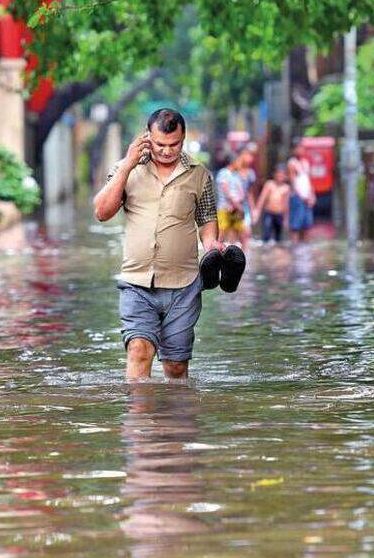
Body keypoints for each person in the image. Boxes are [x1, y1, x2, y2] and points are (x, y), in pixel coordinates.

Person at [93, 108, 224, 380]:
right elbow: (102, 213)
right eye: (159, 144)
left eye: (174, 144)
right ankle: (139, 421)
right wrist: (128, 164)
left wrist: (212, 245)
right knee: (139, 351)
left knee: (176, 368)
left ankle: (173, 422)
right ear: (147, 137)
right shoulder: (124, 169)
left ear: (183, 138)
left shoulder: (200, 175)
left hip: (184, 286)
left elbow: (207, 219)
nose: (166, 151)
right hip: (136, 283)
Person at [215, 152, 251, 252]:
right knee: (221, 235)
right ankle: (215, 257)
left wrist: (239, 204)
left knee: (241, 235)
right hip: (225, 208)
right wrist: (236, 204)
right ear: (233, 162)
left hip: (236, 209)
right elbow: (225, 189)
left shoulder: (236, 175)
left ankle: (243, 257)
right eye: (239, 161)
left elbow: (241, 192)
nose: (241, 163)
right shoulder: (224, 172)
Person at [253, 164, 292, 244]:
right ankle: (266, 251)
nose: (280, 176)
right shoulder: (269, 184)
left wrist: (286, 219)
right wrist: (257, 211)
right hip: (269, 213)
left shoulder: (286, 188)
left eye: (282, 174)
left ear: (285, 176)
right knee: (266, 235)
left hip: (279, 214)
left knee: (278, 238)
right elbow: (262, 199)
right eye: (278, 173)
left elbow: (286, 204)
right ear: (274, 174)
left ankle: (276, 253)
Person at [287, 142, 316, 242]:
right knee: (295, 226)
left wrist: (312, 195)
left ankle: (305, 248)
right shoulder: (292, 163)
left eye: (302, 148)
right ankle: (294, 247)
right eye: (298, 148)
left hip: (307, 197)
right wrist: (302, 196)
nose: (300, 150)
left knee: (307, 225)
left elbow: (309, 180)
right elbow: (292, 182)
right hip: (297, 197)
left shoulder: (305, 162)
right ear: (294, 150)